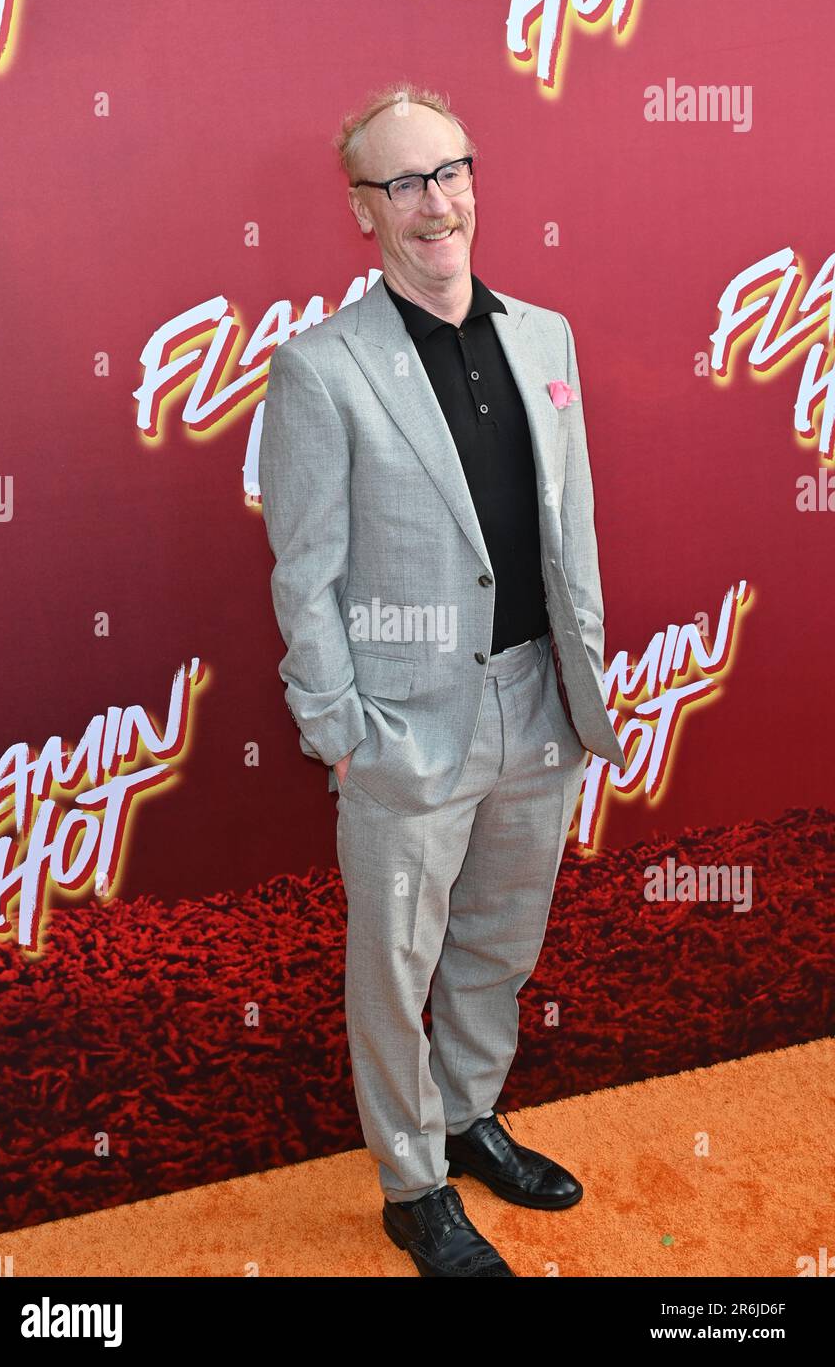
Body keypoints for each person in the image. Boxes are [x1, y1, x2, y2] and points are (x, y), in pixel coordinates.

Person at [258, 82, 626, 1278]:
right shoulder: (322, 370)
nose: (438, 202)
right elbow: (303, 571)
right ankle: (414, 1184)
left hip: (539, 704)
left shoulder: (545, 335)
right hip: (405, 731)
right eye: (405, 183)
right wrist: (337, 730)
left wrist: (584, 686)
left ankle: (469, 1118)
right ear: (363, 210)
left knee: (498, 947)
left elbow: (569, 529)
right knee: (397, 963)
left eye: (451, 171)